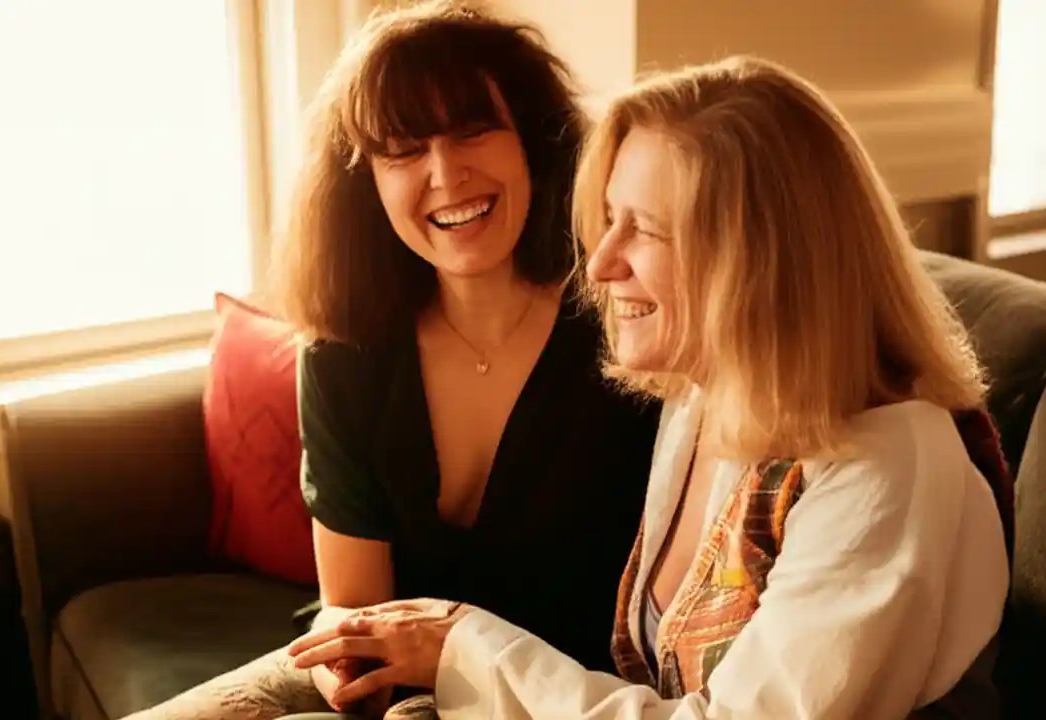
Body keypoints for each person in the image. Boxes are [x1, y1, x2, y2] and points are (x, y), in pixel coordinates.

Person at [286, 56, 1015, 719]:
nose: (600, 263)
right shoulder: (698, 399)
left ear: (759, 257)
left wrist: (464, 646)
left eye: (646, 230)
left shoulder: (887, 464)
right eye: (609, 219)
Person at [123, 3, 660, 720]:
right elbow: (351, 606)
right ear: (366, 184)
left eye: (473, 130)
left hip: (563, 689)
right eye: (403, 151)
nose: (446, 173)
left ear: (535, 141)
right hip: (387, 672)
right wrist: (344, 664)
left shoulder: (627, 321)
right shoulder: (344, 353)